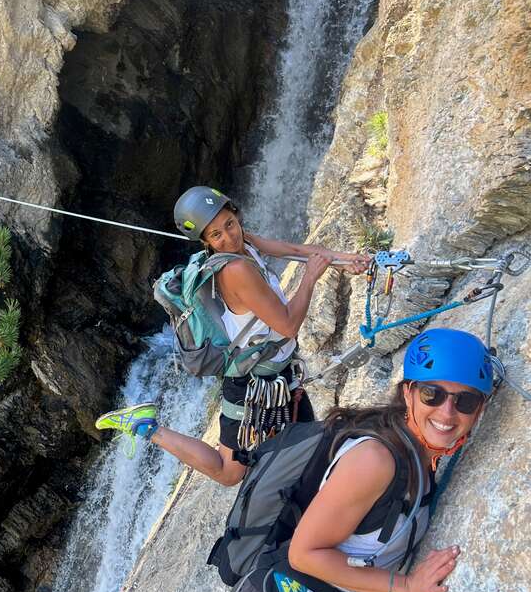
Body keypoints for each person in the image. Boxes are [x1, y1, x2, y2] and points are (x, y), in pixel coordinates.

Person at [96, 186, 370, 486]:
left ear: (236, 216)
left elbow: (296, 251)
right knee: (229, 472)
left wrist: (347, 259)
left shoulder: (245, 243)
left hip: (278, 375)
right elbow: (288, 325)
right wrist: (309, 279)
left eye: (229, 224)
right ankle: (147, 427)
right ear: (205, 242)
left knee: (307, 452)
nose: (229, 237)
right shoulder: (235, 269)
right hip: (251, 384)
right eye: (216, 235)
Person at [274, 328, 493, 592]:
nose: (447, 413)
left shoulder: (420, 456)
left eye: (465, 401)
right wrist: (407, 587)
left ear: (479, 409)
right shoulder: (375, 461)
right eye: (432, 394)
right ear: (408, 393)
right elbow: (303, 554)